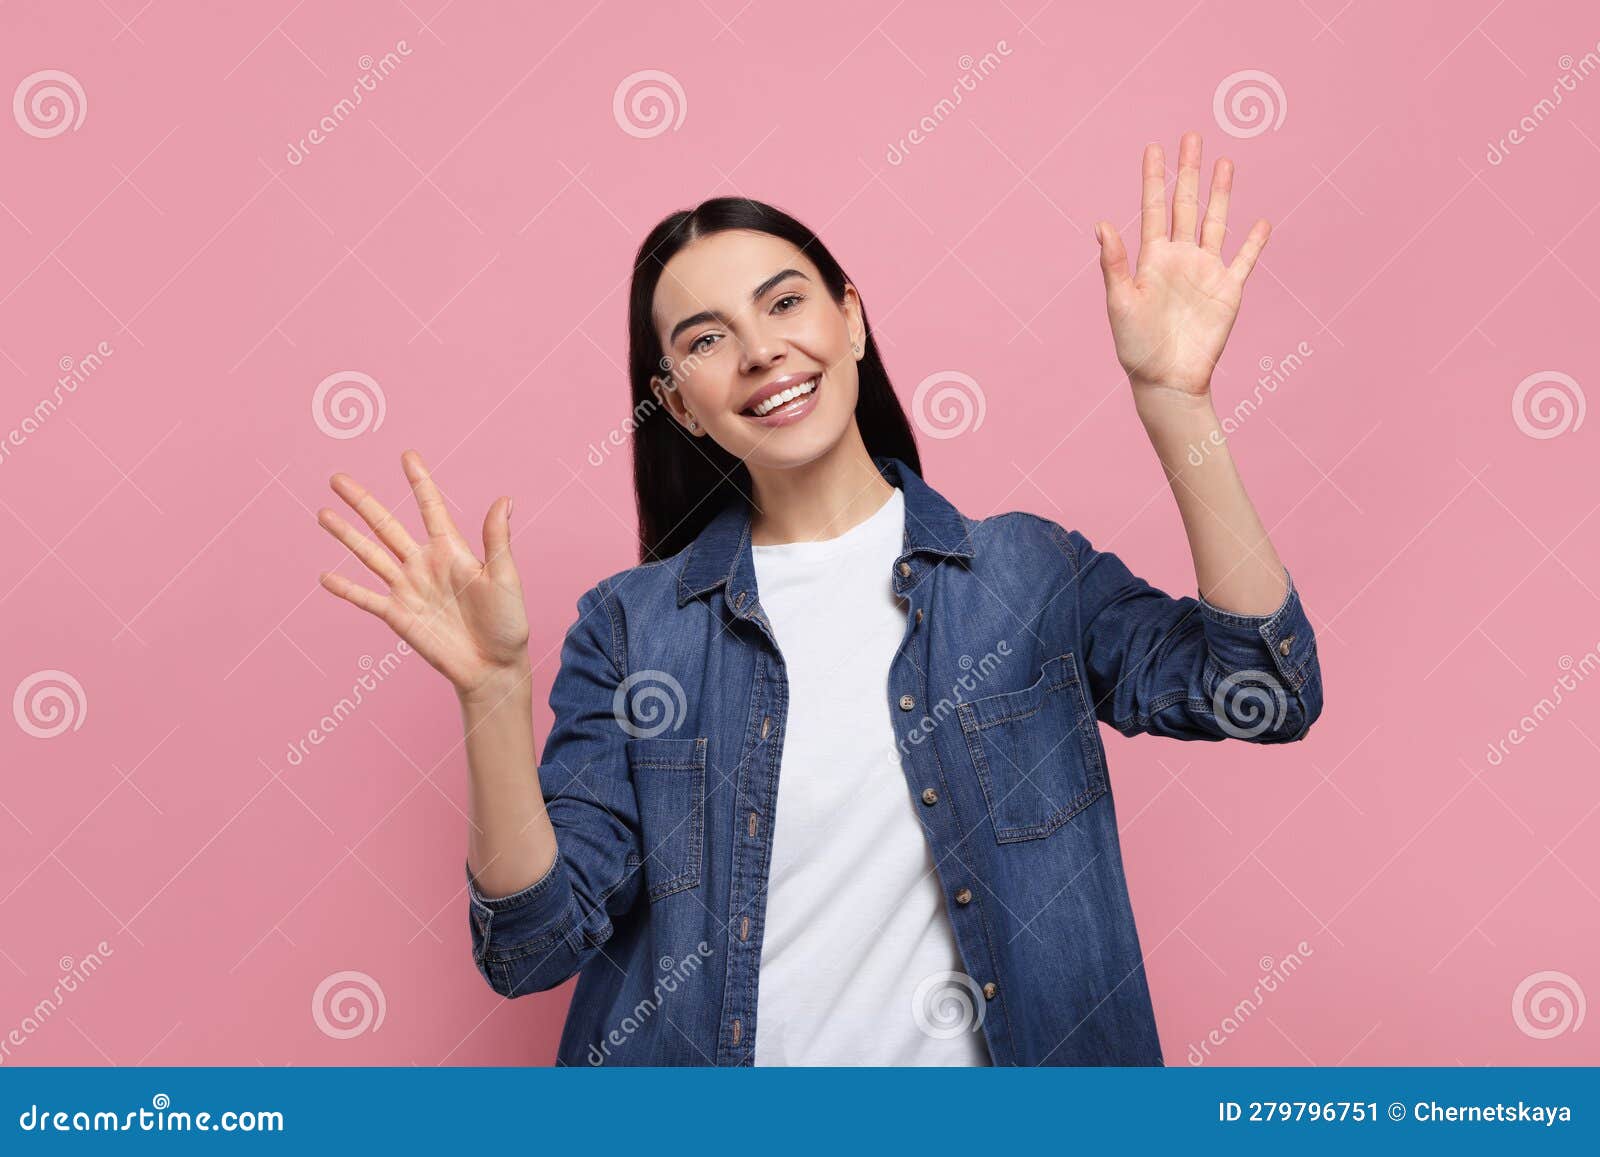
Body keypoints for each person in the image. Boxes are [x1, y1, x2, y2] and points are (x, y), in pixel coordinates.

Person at [314, 130, 1324, 1066]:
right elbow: (531, 951)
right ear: (677, 403)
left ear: (850, 318)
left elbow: (1266, 688)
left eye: (784, 302)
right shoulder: (634, 629)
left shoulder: (1026, 575)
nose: (758, 350)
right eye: (705, 340)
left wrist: (1174, 403)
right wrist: (492, 692)